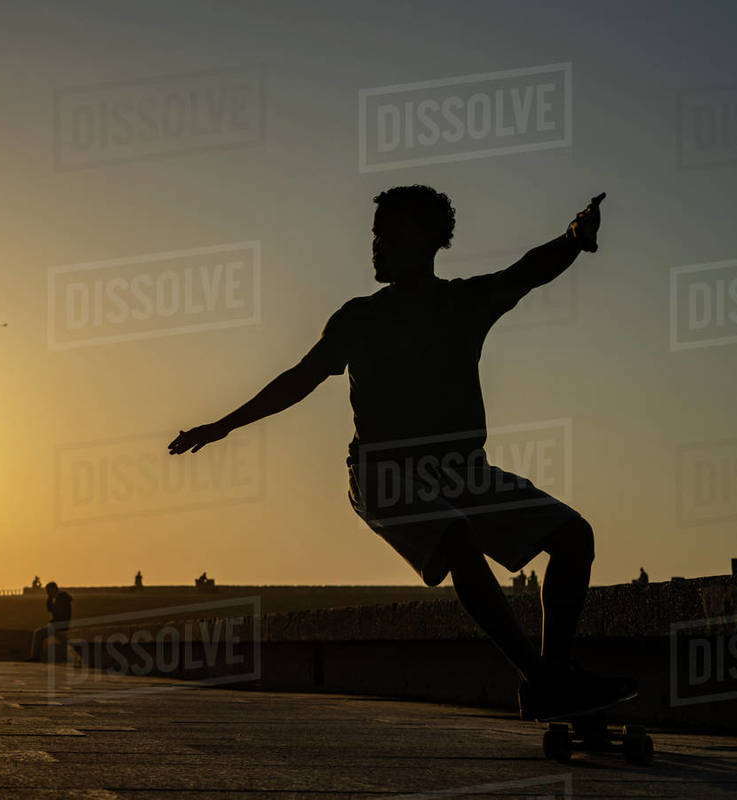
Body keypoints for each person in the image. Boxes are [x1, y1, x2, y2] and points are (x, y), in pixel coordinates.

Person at [169, 188, 633, 722]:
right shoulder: (358, 319)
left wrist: (575, 239)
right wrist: (226, 424)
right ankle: (546, 679)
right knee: (456, 536)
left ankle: (551, 679)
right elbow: (300, 378)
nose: (376, 244)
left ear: (429, 241)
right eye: (374, 233)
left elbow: (528, 271)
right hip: (382, 474)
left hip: (461, 472)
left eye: (388, 233)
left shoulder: (464, 302)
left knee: (574, 536)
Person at [26, 581, 75, 662]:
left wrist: (49, 599)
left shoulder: (61, 598)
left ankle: (35, 656)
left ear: (53, 590)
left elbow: (54, 611)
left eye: (48, 591)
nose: (48, 593)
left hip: (60, 627)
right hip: (60, 625)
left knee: (38, 633)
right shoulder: (62, 598)